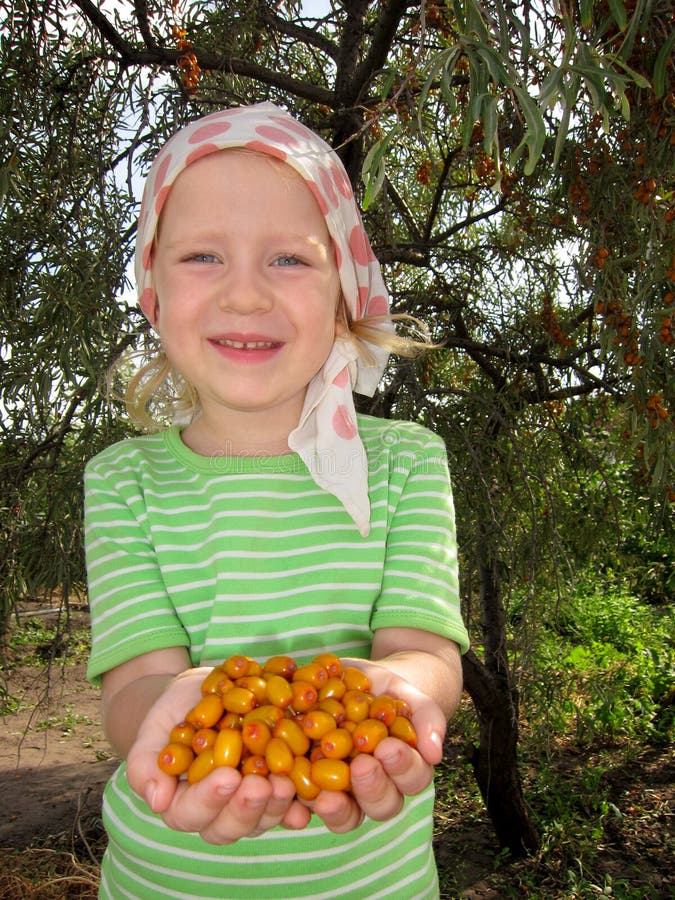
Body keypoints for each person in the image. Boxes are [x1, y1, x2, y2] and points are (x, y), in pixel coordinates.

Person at [85, 101, 470, 900]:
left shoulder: (403, 465)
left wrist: (402, 691)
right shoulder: (121, 482)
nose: (246, 295)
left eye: (289, 261)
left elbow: (426, 653)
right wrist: (175, 721)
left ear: (343, 292)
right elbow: (134, 689)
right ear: (151, 287)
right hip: (164, 885)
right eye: (201, 257)